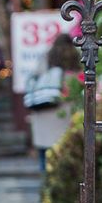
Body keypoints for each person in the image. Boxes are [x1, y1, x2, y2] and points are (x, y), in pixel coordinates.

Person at [25, 33, 81, 169]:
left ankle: (47, 185)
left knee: (45, 156)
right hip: (67, 113)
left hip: (44, 111)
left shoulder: (47, 56)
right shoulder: (77, 57)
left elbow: (32, 79)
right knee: (67, 157)